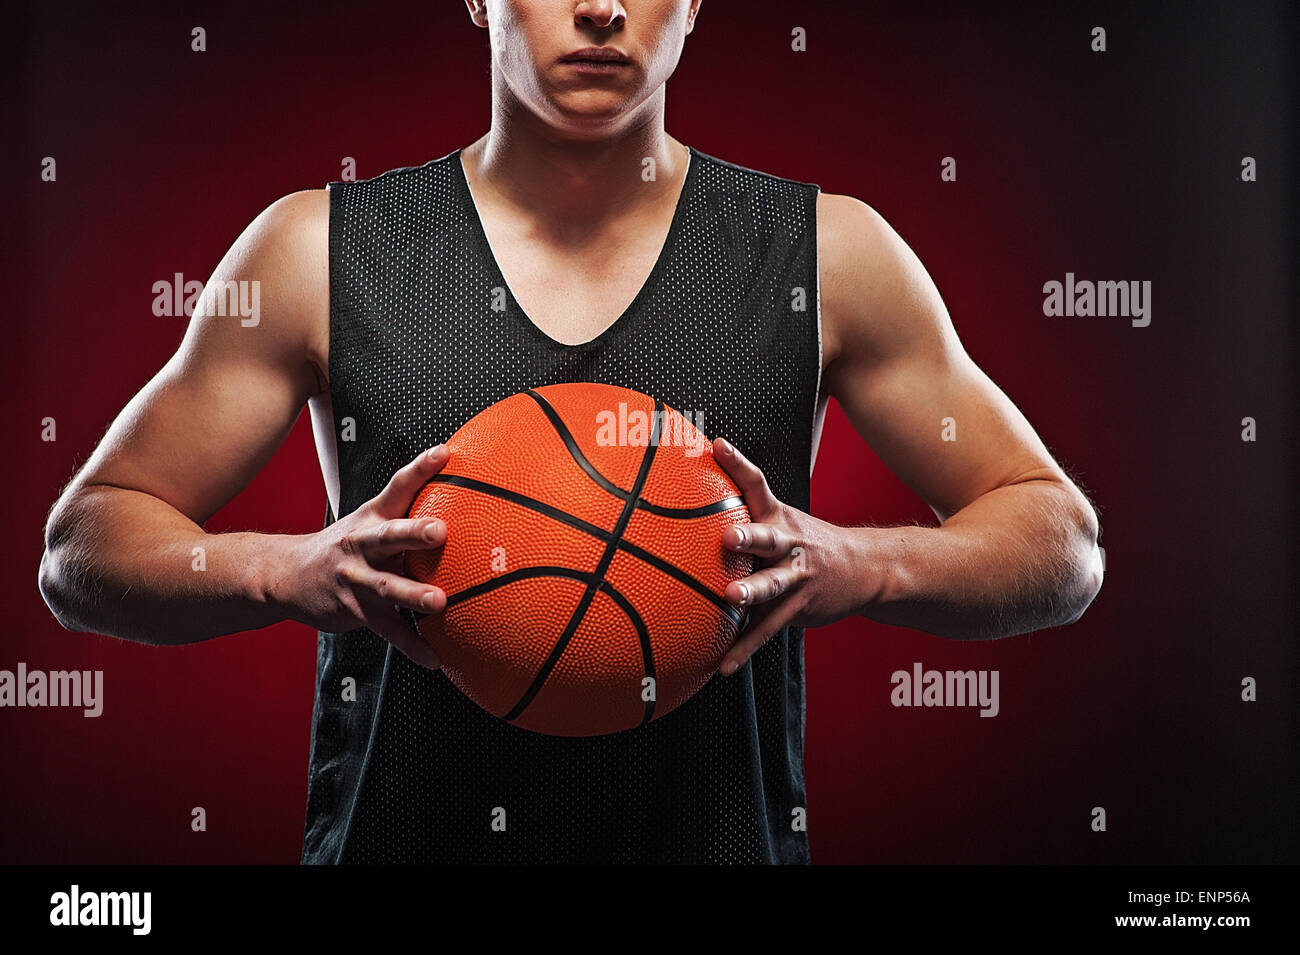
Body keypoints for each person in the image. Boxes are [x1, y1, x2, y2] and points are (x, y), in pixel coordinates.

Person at [38, 0, 1103, 863]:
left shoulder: (828, 252)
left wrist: (861, 560)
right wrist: (286, 568)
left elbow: (1064, 544)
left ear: (693, 4)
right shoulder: (318, 248)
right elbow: (81, 550)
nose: (599, 11)